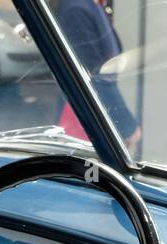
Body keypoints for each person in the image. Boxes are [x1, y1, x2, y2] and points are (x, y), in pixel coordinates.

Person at [50, 0, 142, 149]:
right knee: (89, 170)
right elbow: (93, 78)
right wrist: (125, 125)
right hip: (86, 122)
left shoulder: (90, 5)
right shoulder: (76, 8)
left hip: (91, 120)